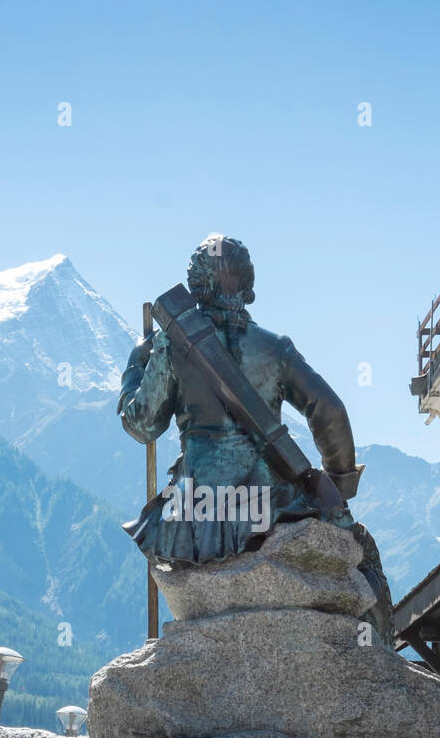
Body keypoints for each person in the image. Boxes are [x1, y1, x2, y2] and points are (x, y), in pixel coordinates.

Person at [118, 234, 393, 639]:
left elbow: (141, 426)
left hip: (197, 514)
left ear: (195, 287)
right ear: (248, 287)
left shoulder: (168, 348)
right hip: (272, 505)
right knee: (361, 549)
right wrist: (337, 484)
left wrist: (137, 363)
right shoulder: (275, 347)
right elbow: (330, 411)